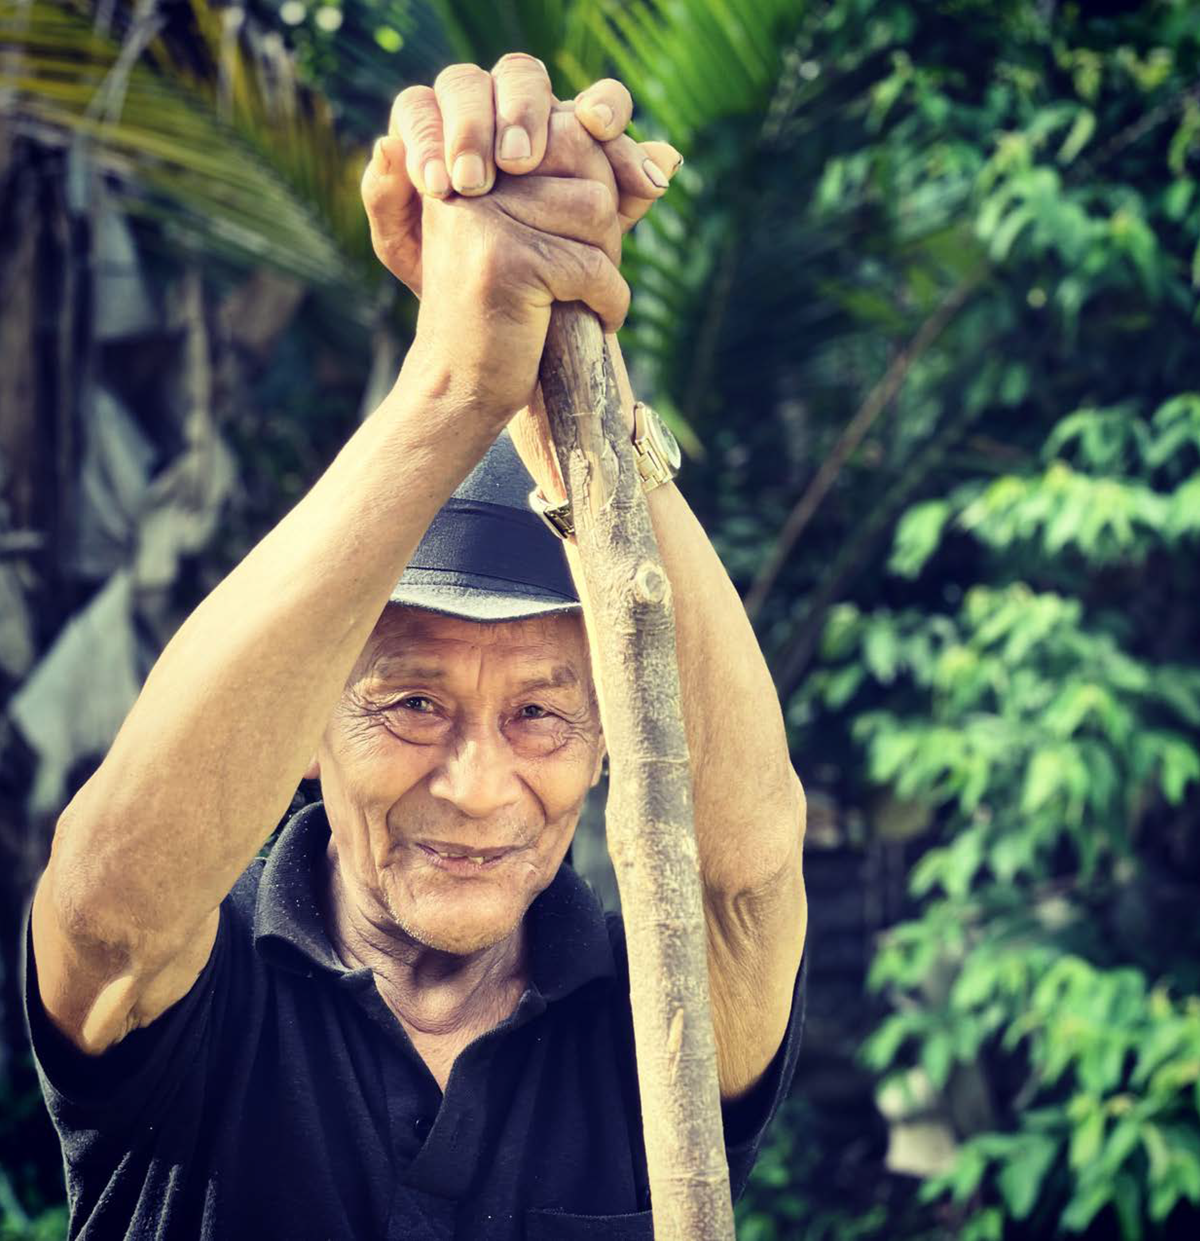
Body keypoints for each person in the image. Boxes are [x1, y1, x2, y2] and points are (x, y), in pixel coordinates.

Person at [22, 55, 808, 1240]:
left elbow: (746, 874)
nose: (479, 785)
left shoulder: (649, 1015)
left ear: (606, 744)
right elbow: (104, 904)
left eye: (541, 713)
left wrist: (571, 369)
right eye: (410, 705)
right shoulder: (201, 999)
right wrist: (453, 378)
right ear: (306, 729)